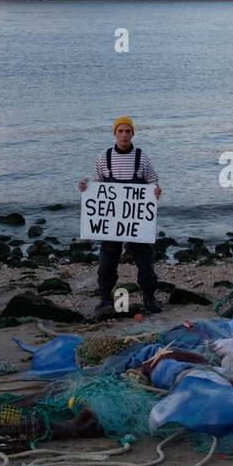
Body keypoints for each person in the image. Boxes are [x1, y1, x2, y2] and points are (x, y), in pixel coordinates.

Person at [77, 116, 163, 318]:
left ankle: (149, 297)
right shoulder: (104, 158)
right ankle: (105, 297)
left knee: (145, 259)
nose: (124, 135)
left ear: (133, 133)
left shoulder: (141, 157)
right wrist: (84, 187)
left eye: (128, 131)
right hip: (111, 222)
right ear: (114, 133)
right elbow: (95, 188)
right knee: (107, 258)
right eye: (120, 131)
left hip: (137, 220)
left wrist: (157, 192)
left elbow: (153, 183)